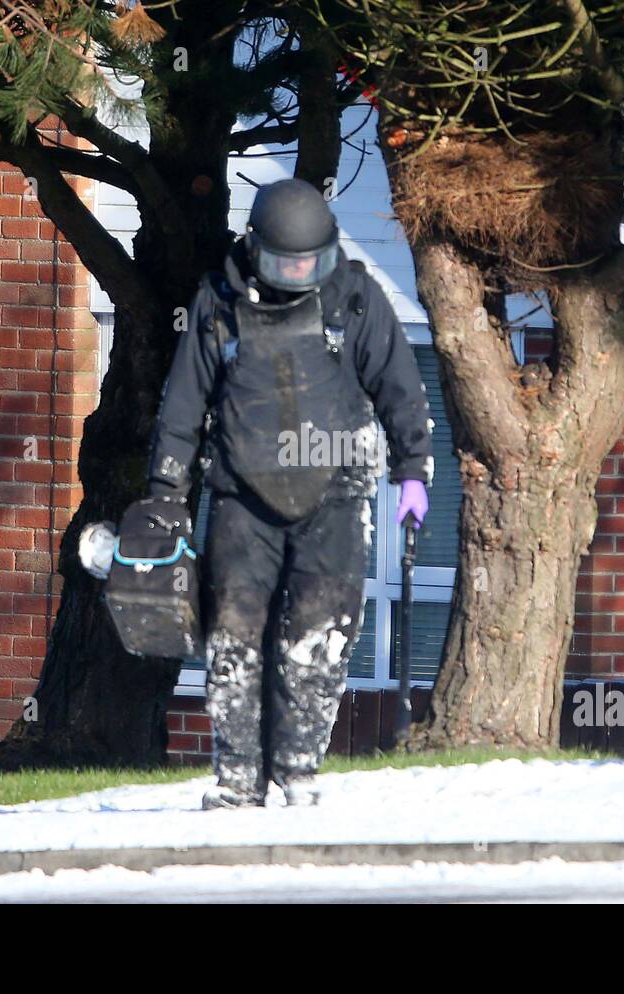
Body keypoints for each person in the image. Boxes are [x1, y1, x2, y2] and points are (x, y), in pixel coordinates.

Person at [147, 178, 433, 809]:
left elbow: (399, 386)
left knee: (320, 634)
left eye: (310, 262)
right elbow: (184, 403)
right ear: (256, 251)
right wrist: (167, 489)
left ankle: (300, 770)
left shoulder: (356, 299)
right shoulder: (216, 305)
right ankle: (238, 780)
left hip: (335, 493)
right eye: (286, 263)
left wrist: (413, 469)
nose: (299, 274)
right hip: (240, 497)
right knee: (232, 637)